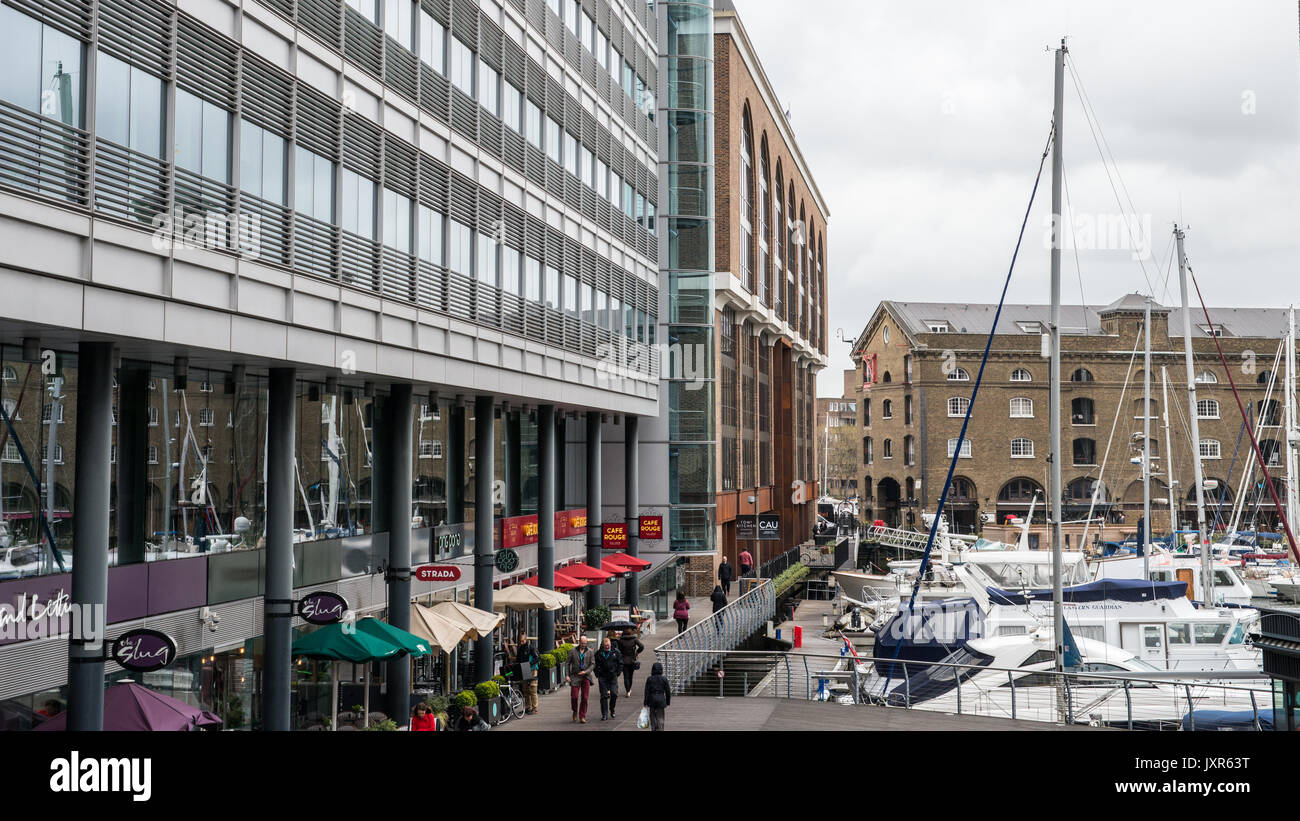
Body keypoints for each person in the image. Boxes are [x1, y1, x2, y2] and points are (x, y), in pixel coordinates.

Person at [565, 634, 595, 723]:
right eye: (582, 643)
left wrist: (586, 671)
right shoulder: (572, 651)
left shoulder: (590, 651)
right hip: (575, 676)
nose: (583, 645)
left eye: (585, 643)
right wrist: (567, 675)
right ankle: (574, 710)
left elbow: (593, 664)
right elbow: (567, 663)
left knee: (585, 698)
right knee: (574, 697)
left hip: (586, 676)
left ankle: (582, 716)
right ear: (579, 642)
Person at [594, 637, 623, 721]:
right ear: (603, 645)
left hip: (613, 676)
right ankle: (604, 714)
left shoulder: (616, 652)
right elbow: (595, 664)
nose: (607, 647)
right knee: (603, 696)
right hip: (602, 677)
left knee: (614, 694)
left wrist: (618, 672)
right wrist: (597, 674)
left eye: (608, 645)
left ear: (610, 644)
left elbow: (620, 663)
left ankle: (612, 709)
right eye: (605, 645)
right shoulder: (598, 653)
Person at [514, 632, 541, 715]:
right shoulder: (520, 649)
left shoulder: (531, 648)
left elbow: (538, 658)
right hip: (524, 669)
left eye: (522, 641)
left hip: (532, 670)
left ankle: (535, 708)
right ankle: (527, 707)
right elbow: (518, 660)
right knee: (525, 690)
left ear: (526, 639)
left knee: (533, 689)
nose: (521, 643)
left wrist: (529, 664)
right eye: (520, 641)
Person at [617, 627, 645, 697]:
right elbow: (642, 646)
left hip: (624, 660)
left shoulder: (621, 640)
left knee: (626, 677)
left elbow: (618, 650)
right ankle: (629, 690)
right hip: (632, 659)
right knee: (630, 676)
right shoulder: (634, 639)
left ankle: (628, 691)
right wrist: (637, 652)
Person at [643, 661, 671, 731]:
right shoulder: (664, 679)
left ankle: (654, 729)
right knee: (660, 717)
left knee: (652, 717)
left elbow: (646, 692)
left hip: (652, 699)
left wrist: (645, 702)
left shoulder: (649, 679)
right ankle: (660, 729)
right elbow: (668, 691)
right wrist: (668, 702)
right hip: (661, 699)